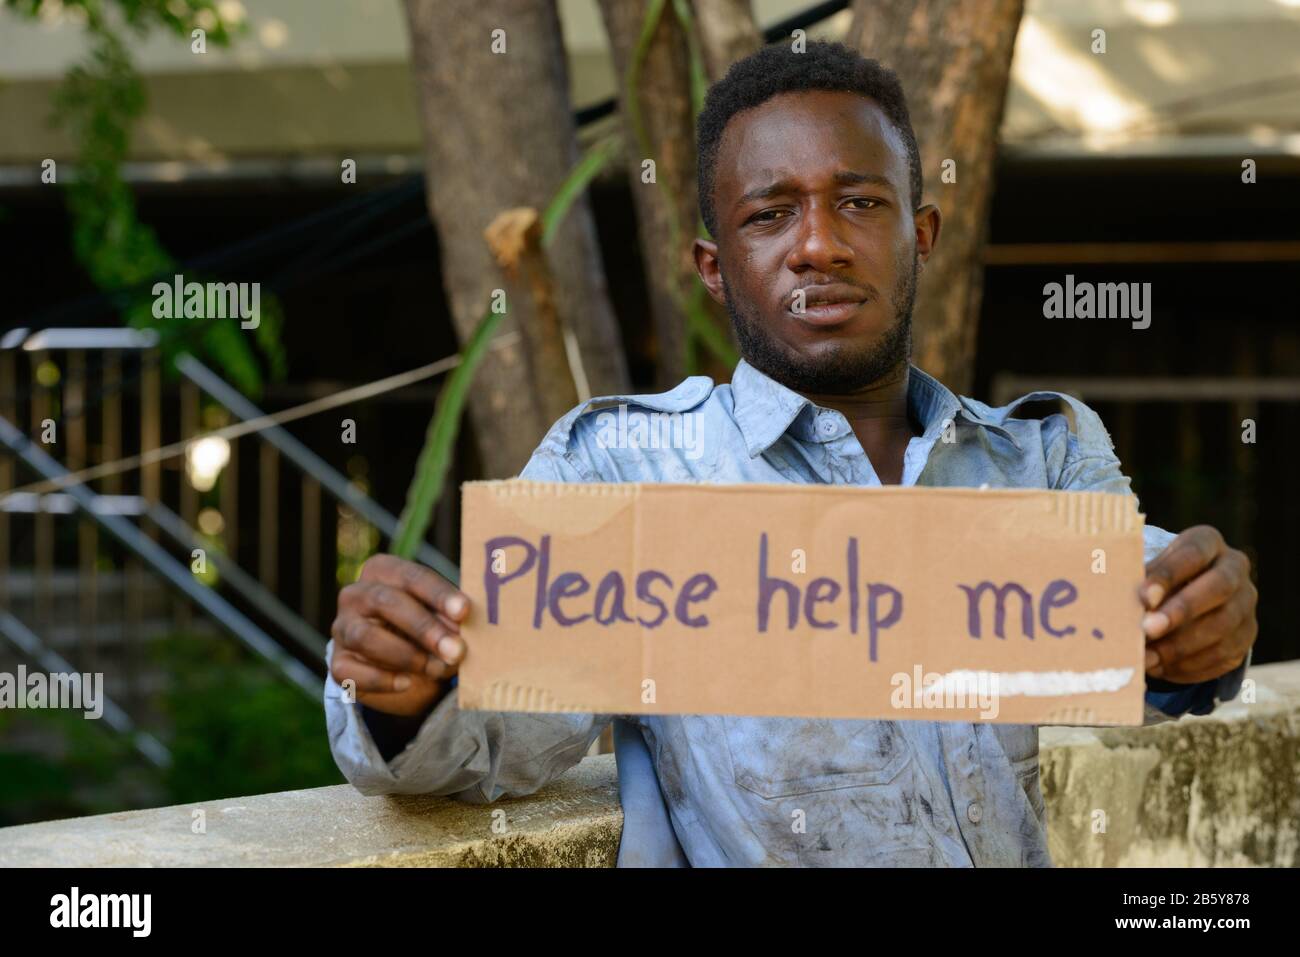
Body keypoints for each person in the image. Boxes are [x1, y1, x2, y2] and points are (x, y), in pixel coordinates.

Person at [324, 41, 1256, 867]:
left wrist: (1203, 623)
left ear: (919, 235)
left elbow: (1151, 615)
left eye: (859, 201)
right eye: (770, 215)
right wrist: (402, 691)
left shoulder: (1041, 455)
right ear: (714, 265)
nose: (818, 245)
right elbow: (489, 732)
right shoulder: (623, 472)